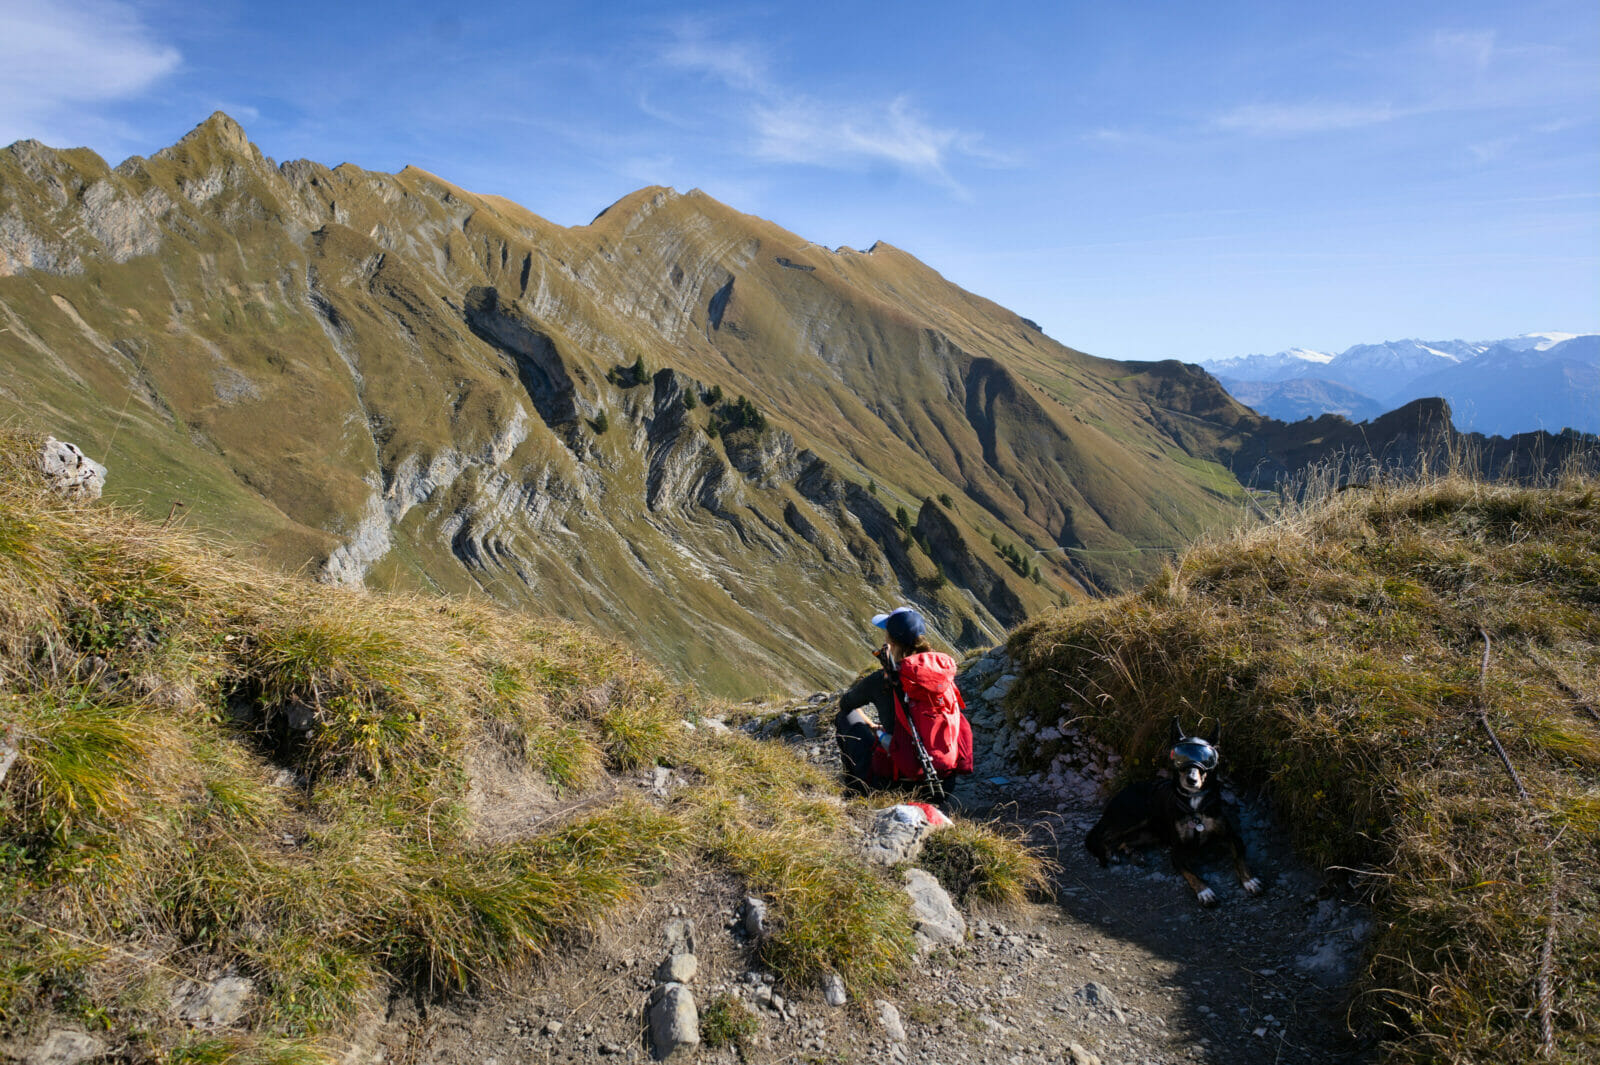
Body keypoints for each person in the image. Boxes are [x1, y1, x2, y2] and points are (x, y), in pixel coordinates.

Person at [834, 606, 973, 800]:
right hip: (942, 786)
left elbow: (846, 703)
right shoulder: (943, 677)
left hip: (896, 784)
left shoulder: (883, 679)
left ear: (890, 640)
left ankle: (857, 792)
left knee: (845, 717)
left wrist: (874, 726)